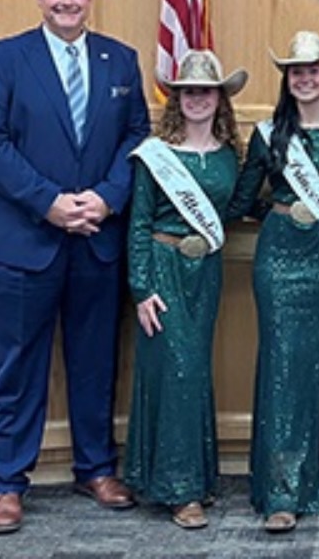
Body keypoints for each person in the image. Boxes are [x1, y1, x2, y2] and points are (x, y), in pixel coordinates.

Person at [0, 0, 151, 533]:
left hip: (97, 238)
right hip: (22, 239)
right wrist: (49, 202)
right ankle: (5, 484)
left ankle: (95, 468)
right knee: (17, 365)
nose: (66, 2)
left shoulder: (120, 59)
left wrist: (105, 197)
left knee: (96, 362)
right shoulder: (4, 58)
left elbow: (137, 137)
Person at [227, 31, 319, 533]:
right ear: (287, 80)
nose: (304, 77)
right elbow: (242, 200)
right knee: (285, 367)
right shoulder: (269, 135)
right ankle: (282, 491)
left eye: (313, 69)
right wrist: (280, 211)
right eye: (295, 70)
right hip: (280, 257)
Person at [122, 50, 248, 530]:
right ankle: (179, 490)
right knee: (176, 373)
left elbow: (233, 208)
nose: (197, 98)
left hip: (206, 271)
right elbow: (138, 225)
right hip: (163, 267)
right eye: (189, 91)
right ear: (178, 98)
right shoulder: (156, 154)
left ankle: (189, 475)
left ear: (220, 98)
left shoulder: (228, 156)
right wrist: (141, 288)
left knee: (192, 373)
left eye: (206, 90)